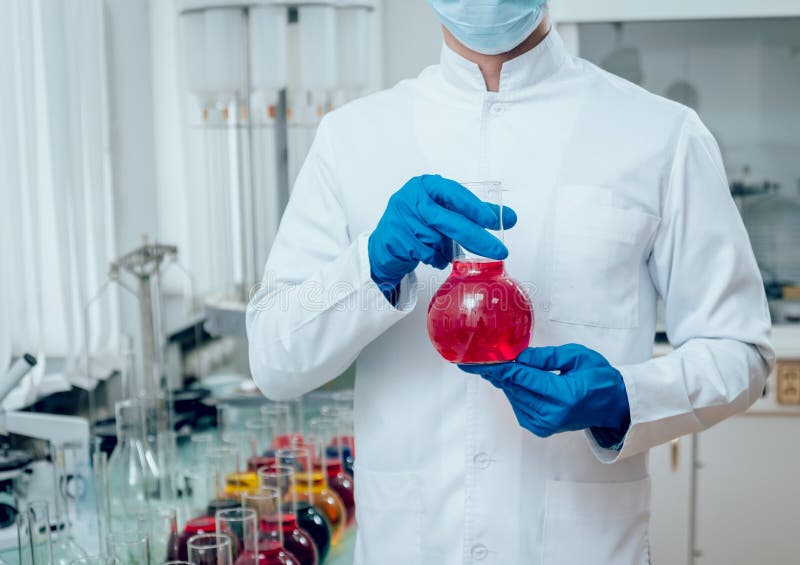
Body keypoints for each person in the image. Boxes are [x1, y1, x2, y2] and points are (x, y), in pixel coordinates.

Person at [247, 1, 774, 563]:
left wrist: (626, 399)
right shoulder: (351, 139)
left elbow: (740, 350)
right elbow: (274, 361)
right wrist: (370, 264)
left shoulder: (662, 135)